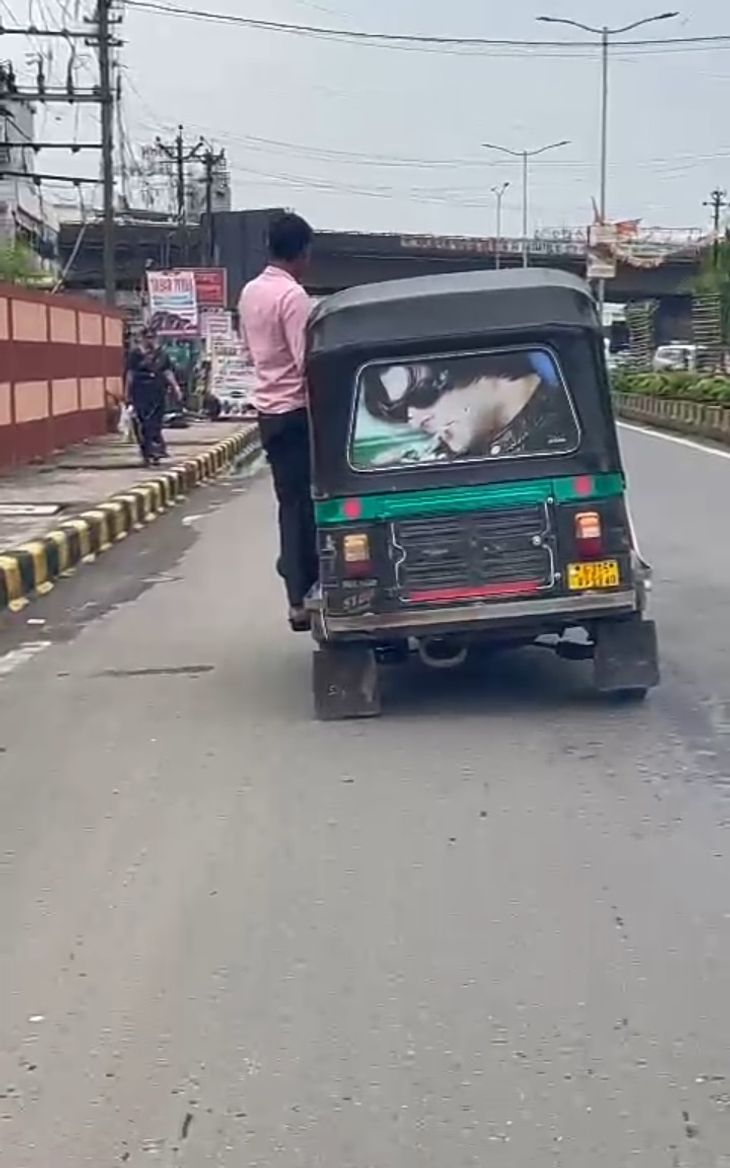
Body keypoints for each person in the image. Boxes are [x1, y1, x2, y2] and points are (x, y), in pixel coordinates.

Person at [239, 212, 318, 632]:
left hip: (268, 412)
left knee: (289, 504)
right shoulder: (293, 297)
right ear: (302, 252)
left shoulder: (250, 292)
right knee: (310, 503)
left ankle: (294, 587)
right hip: (295, 410)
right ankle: (304, 587)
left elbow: (252, 353)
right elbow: (307, 362)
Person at [126, 329, 182, 466]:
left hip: (157, 392)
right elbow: (130, 374)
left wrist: (176, 388)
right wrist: (126, 392)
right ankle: (147, 451)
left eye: (152, 338)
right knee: (144, 423)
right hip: (140, 392)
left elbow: (167, 372)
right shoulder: (136, 354)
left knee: (156, 422)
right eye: (147, 338)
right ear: (142, 338)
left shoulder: (161, 355)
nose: (150, 340)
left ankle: (156, 450)